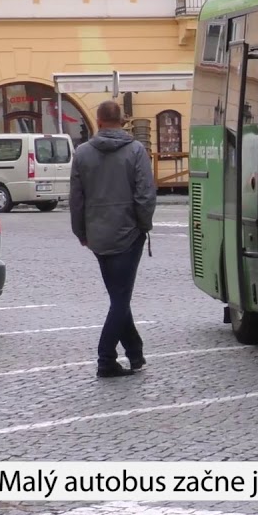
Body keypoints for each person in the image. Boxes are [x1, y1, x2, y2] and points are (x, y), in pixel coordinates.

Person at [70, 100, 157, 378]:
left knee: (118, 296)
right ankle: (105, 359)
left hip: (98, 235)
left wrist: (81, 232)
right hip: (128, 234)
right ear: (123, 121)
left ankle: (135, 353)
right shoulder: (136, 150)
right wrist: (143, 225)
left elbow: (76, 199)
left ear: (98, 121)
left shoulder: (82, 153)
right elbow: (145, 194)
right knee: (120, 299)